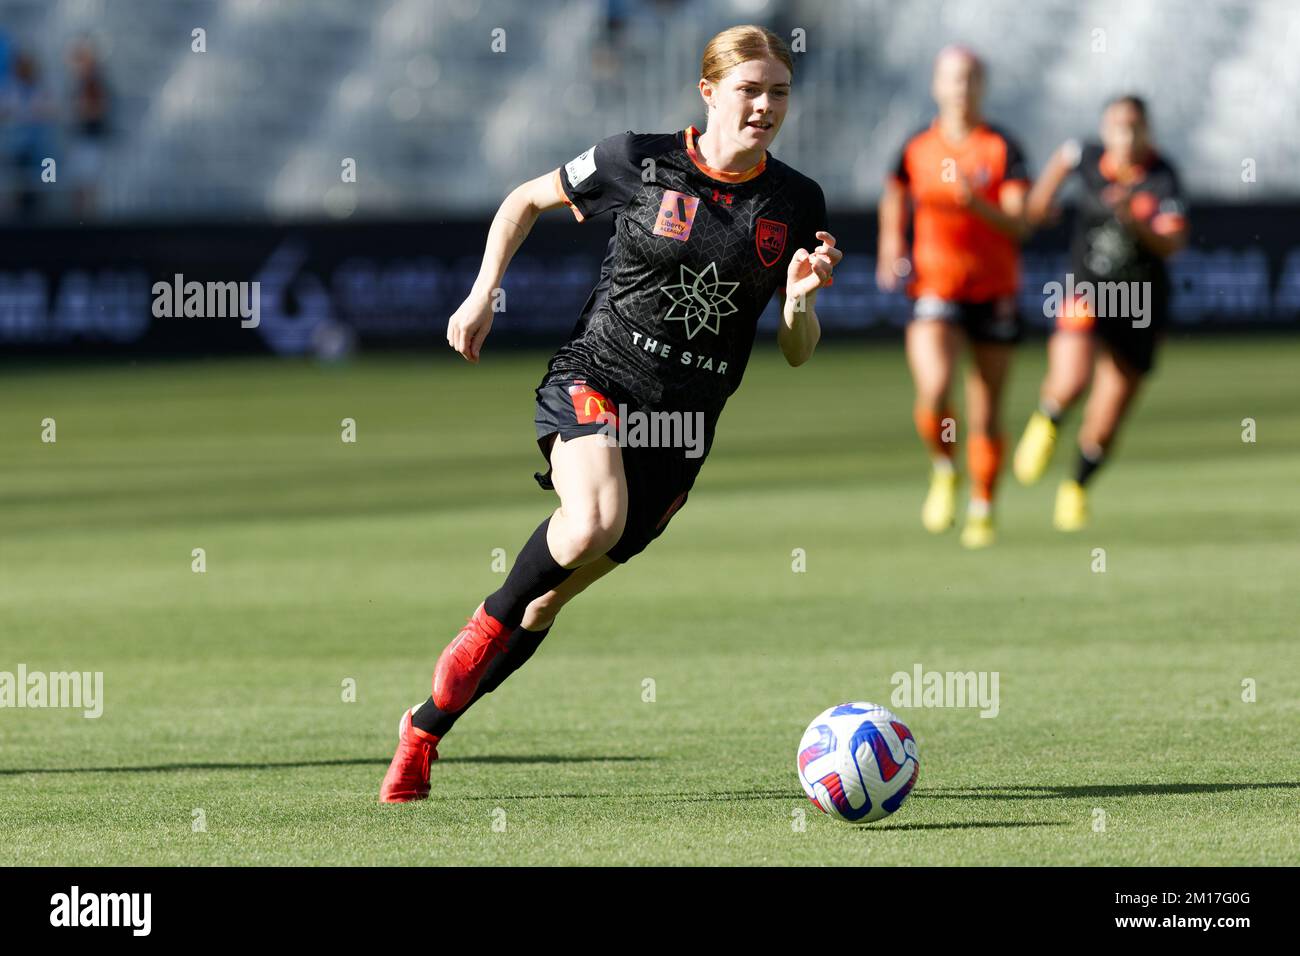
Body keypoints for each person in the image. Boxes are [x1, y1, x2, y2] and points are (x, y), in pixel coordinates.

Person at [380, 24, 840, 802]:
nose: (765, 107)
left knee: (548, 598)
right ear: (709, 92)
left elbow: (796, 352)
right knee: (591, 519)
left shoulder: (797, 203)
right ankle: (481, 625)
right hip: (598, 376)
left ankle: (424, 730)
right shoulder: (641, 159)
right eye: (749, 90)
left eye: (779, 93)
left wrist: (799, 302)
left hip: (683, 430)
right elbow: (524, 199)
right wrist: (483, 290)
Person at [877, 46, 1030, 548]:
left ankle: (984, 505)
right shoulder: (917, 145)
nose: (960, 88)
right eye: (952, 78)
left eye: (969, 79)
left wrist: (975, 203)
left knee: (986, 411)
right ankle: (945, 467)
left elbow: (1019, 220)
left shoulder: (1001, 146)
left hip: (993, 290)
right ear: (937, 86)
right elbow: (895, 190)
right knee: (935, 388)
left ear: (981, 86)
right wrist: (891, 244)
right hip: (935, 285)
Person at [1012, 95, 1188, 530]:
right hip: (1088, 289)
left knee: (1107, 419)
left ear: (1147, 131)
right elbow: (1040, 199)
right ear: (1105, 130)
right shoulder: (1085, 156)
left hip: (1141, 304)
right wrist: (1041, 204)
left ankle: (1075, 489)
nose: (1125, 137)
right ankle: (1048, 418)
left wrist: (1135, 221)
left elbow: (1172, 243)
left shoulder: (1162, 178)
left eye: (1134, 128)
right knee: (1072, 379)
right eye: (1117, 127)